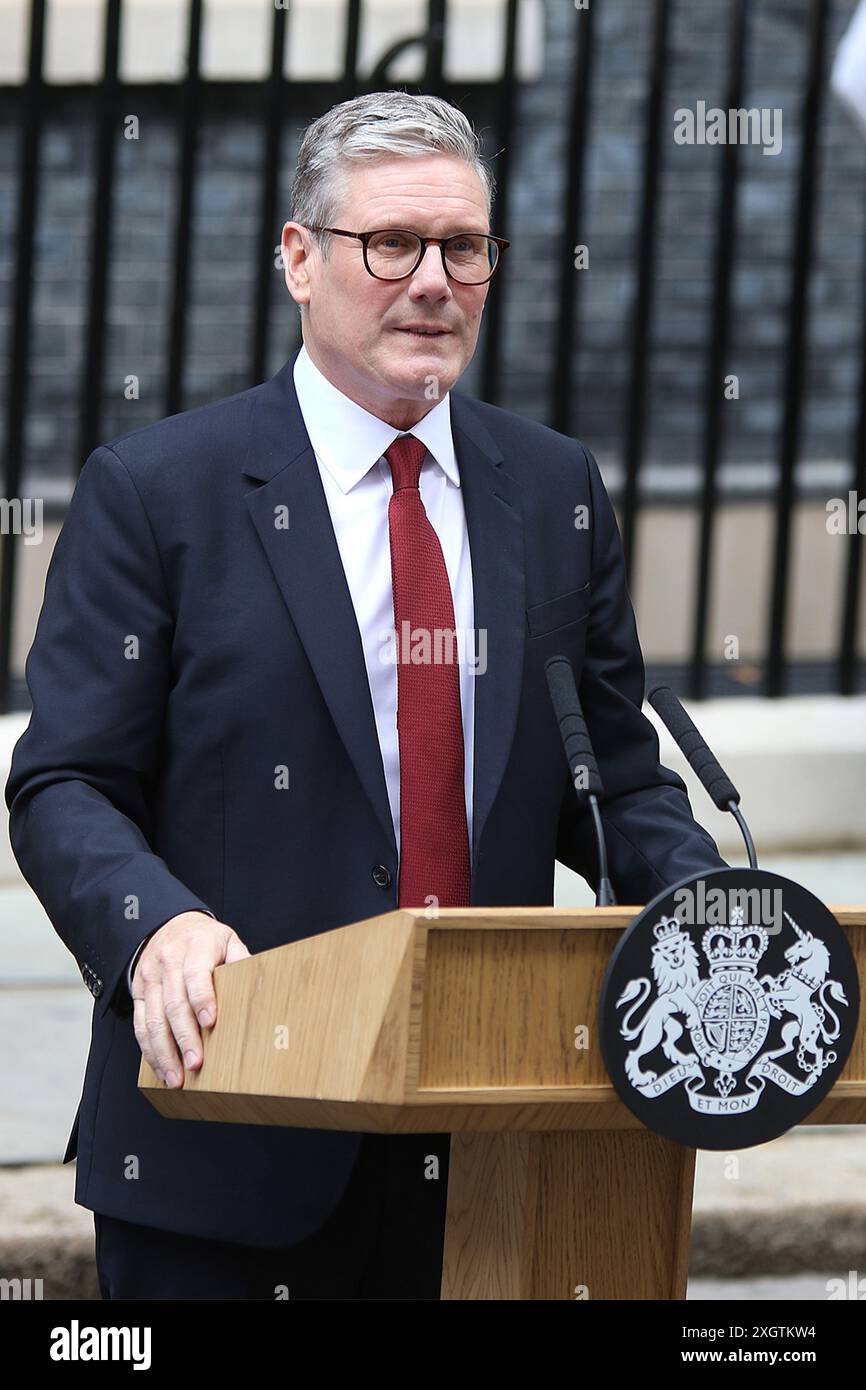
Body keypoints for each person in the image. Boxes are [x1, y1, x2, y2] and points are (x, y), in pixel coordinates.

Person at [5, 90, 727, 1300]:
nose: (433, 280)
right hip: (230, 1138)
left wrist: (710, 905)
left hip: (498, 1147)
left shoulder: (550, 490)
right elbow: (64, 779)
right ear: (298, 258)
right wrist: (155, 927)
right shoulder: (158, 491)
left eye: (464, 246)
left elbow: (609, 780)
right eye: (390, 243)